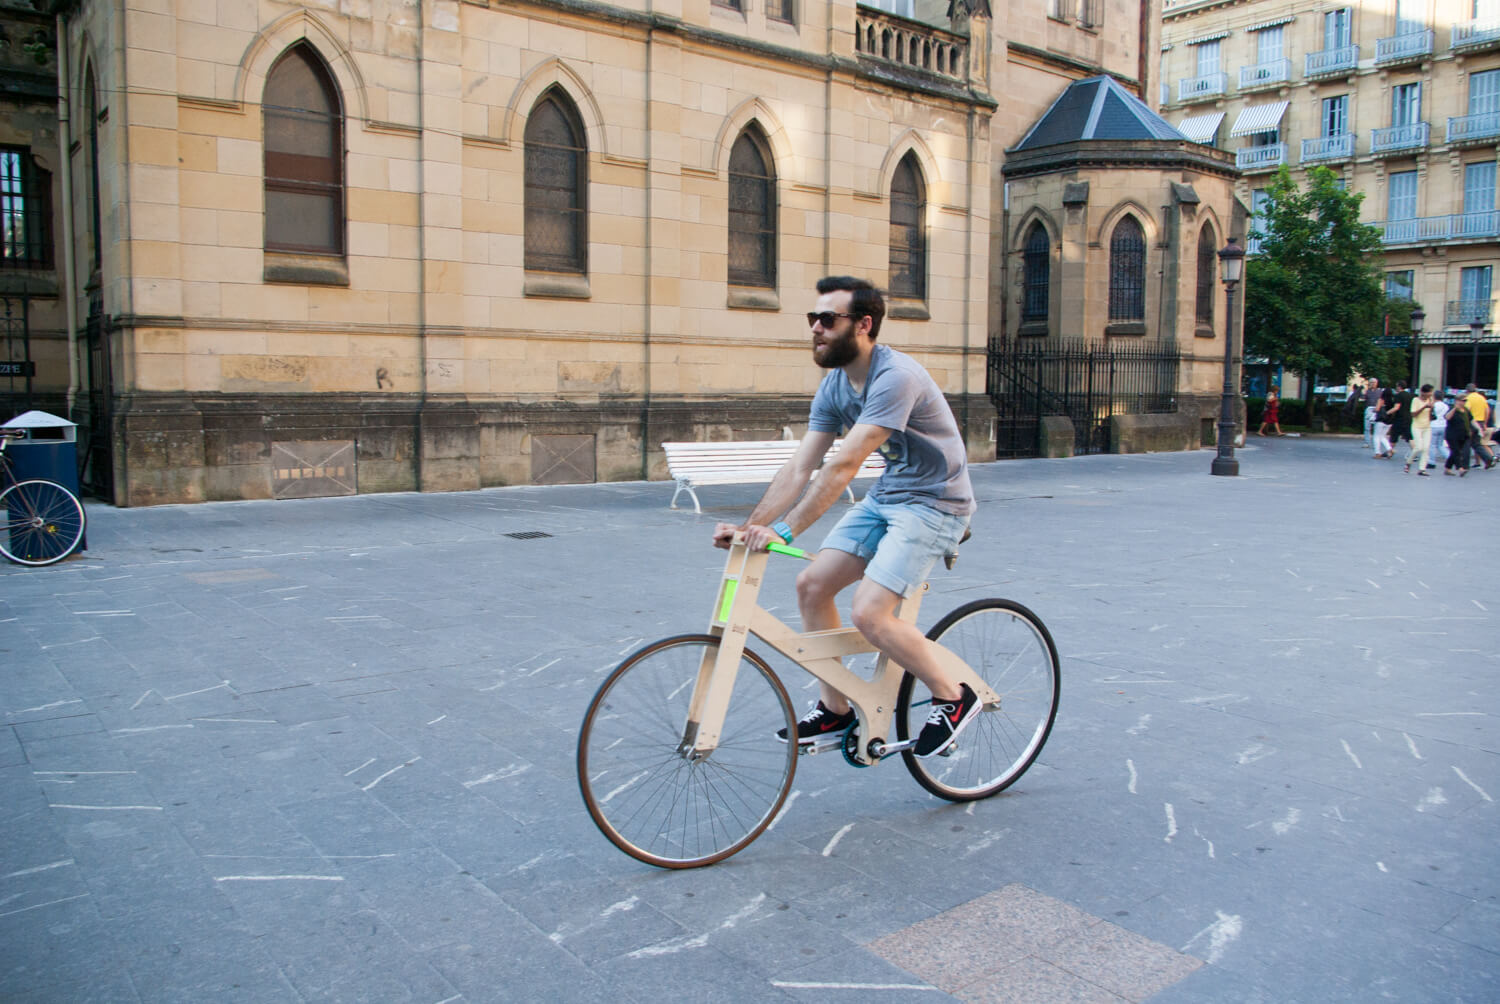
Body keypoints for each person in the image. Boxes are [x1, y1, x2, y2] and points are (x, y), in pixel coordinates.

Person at [712, 276, 977, 758]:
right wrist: (751, 525)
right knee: (811, 587)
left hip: (937, 502)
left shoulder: (895, 377)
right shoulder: (835, 383)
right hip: (890, 496)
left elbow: (843, 466)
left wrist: (784, 530)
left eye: (828, 319)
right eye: (812, 318)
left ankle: (953, 696)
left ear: (864, 325)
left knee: (869, 612)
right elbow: (800, 466)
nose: (815, 327)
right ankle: (835, 711)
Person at [1463, 383, 1496, 470]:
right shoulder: (1482, 398)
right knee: (1477, 444)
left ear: (1467, 391)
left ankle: (1464, 464)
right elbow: (1486, 411)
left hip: (1472, 422)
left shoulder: (1468, 398)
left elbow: (1466, 411)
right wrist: (1484, 423)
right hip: (1481, 422)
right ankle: (1488, 458)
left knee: (1466, 443)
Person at [1405, 384, 1434, 475]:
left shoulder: (1430, 400)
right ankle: (1409, 462)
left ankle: (1422, 469)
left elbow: (1430, 414)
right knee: (1418, 447)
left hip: (1427, 427)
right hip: (1417, 426)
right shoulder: (1415, 400)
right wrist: (1424, 407)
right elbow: (1413, 414)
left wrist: (1431, 409)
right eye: (1429, 392)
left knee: (1426, 448)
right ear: (1423, 393)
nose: (1431, 394)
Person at [1444, 395, 1473, 475]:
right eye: (1462, 400)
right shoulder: (1452, 409)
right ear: (1457, 401)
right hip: (1452, 435)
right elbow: (1447, 417)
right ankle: (1460, 469)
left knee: (1455, 452)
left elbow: (1471, 420)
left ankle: (1447, 468)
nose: (1463, 402)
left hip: (1463, 435)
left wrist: (1479, 428)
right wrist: (1454, 408)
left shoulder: (1466, 410)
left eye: (1465, 401)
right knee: (1456, 451)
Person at [1389, 380, 1414, 457]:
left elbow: (1396, 407)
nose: (1396, 388)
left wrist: (1387, 413)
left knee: (1394, 435)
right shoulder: (1410, 395)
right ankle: (1414, 452)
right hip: (1408, 418)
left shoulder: (1398, 395)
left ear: (1399, 386)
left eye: (1396, 386)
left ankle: (1390, 452)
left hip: (1399, 418)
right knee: (1409, 437)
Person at [1372, 382, 1396, 458]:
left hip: (1380, 420)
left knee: (1376, 436)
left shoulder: (1381, 399)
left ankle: (1377, 453)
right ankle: (1389, 449)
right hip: (1389, 421)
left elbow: (1377, 409)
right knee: (1382, 436)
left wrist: (1374, 410)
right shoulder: (1393, 400)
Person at [1429, 393, 1450, 469]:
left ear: (1434, 397)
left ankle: (1431, 462)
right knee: (1440, 445)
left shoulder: (1434, 406)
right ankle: (1450, 457)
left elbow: (1430, 415)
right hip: (1443, 425)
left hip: (1434, 425)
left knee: (1432, 445)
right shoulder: (1446, 406)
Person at [1363, 378, 1382, 449]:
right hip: (1368, 409)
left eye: (1374, 382)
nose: (1373, 384)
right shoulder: (1367, 391)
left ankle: (1376, 442)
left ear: (1377, 383)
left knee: (1376, 427)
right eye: (1371, 382)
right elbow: (1363, 399)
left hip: (1376, 409)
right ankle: (1367, 442)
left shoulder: (1380, 391)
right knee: (1367, 427)